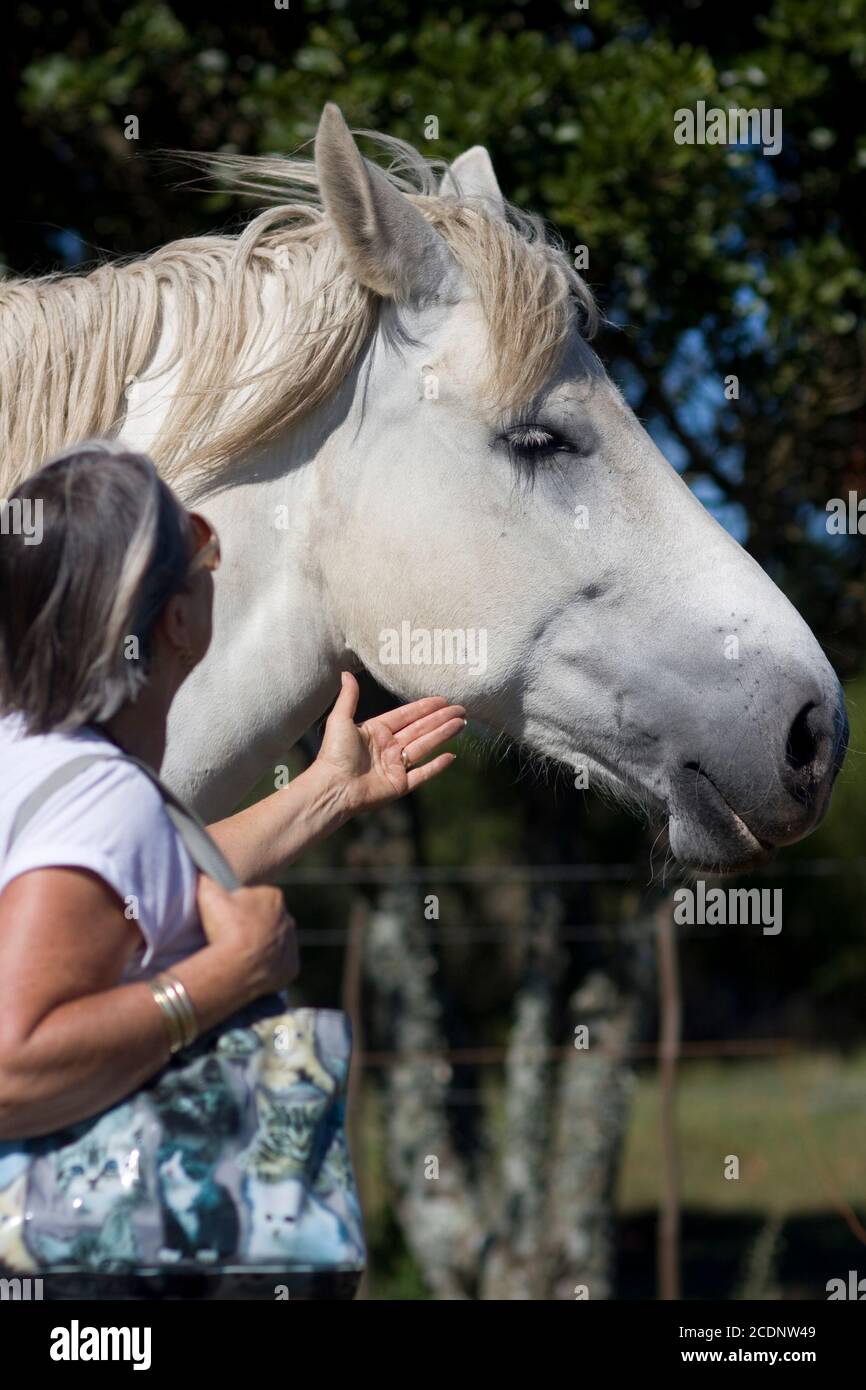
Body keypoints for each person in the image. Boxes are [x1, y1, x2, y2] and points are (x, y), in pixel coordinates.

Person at [0, 439, 466, 1141]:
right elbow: (12, 1068)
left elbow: (138, 883)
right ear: (177, 621)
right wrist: (228, 976)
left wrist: (329, 790)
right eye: (200, 554)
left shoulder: (30, 753)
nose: (215, 568)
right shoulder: (101, 797)